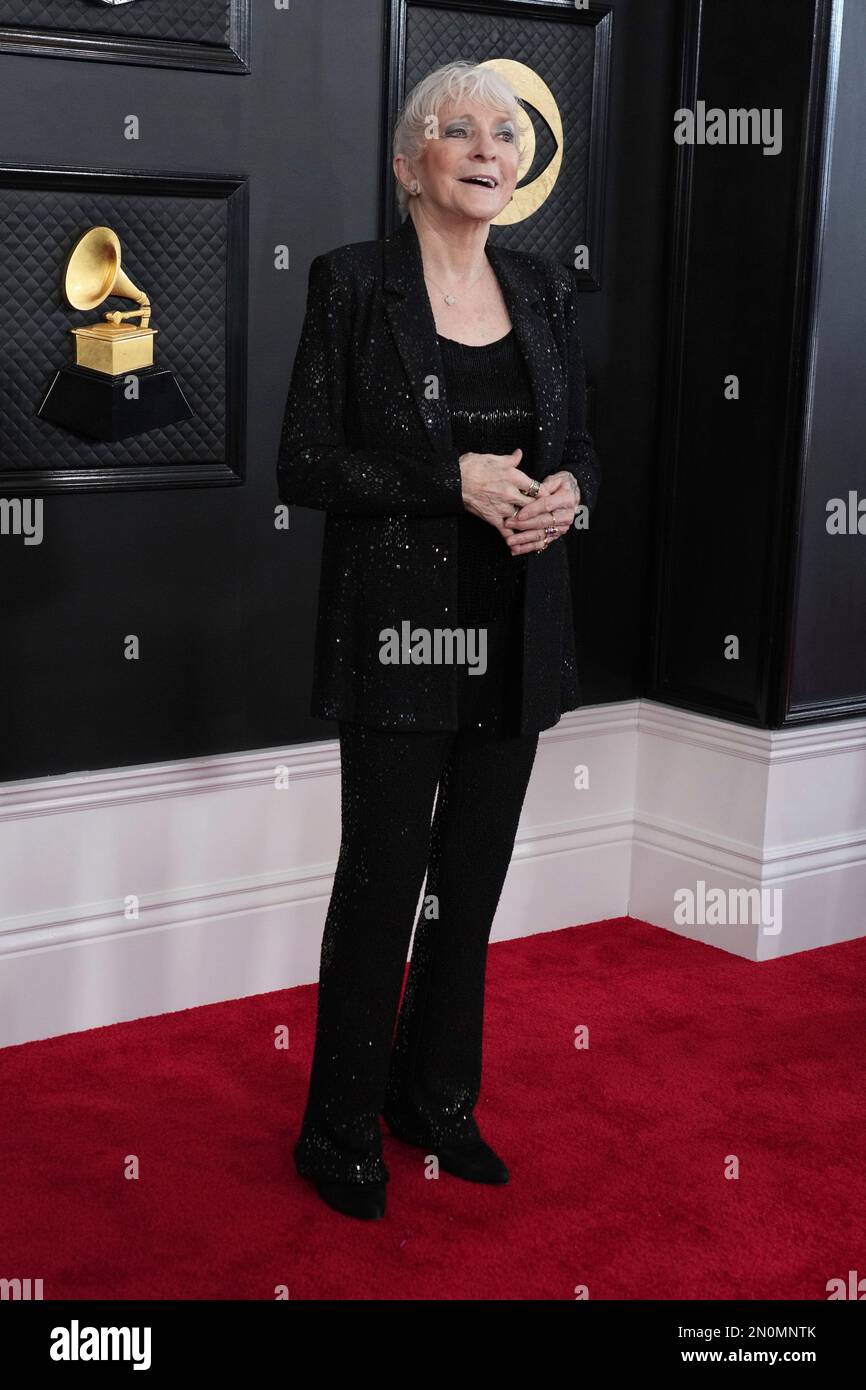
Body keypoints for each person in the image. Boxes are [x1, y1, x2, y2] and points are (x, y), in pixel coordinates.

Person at [277, 60, 601, 1220]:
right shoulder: (352, 284)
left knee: (468, 881)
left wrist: (571, 491)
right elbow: (304, 463)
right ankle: (336, 1130)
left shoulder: (541, 285)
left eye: (504, 133)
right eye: (456, 130)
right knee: (381, 882)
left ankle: (437, 1100)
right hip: (401, 632)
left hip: (518, 624)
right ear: (410, 161)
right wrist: (443, 478)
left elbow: (580, 441)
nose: (486, 147)